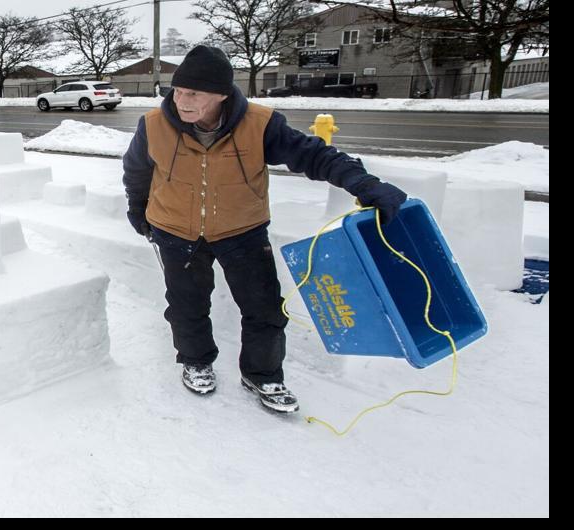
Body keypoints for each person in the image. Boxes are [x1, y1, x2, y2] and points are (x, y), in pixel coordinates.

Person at [121, 46, 407, 414]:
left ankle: (262, 374)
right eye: (178, 91)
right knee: (185, 305)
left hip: (243, 230)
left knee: (266, 309)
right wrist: (137, 208)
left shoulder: (260, 123)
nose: (182, 100)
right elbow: (137, 171)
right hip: (175, 230)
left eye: (194, 93)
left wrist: (365, 184)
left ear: (221, 94)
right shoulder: (153, 125)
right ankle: (195, 360)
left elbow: (315, 156)